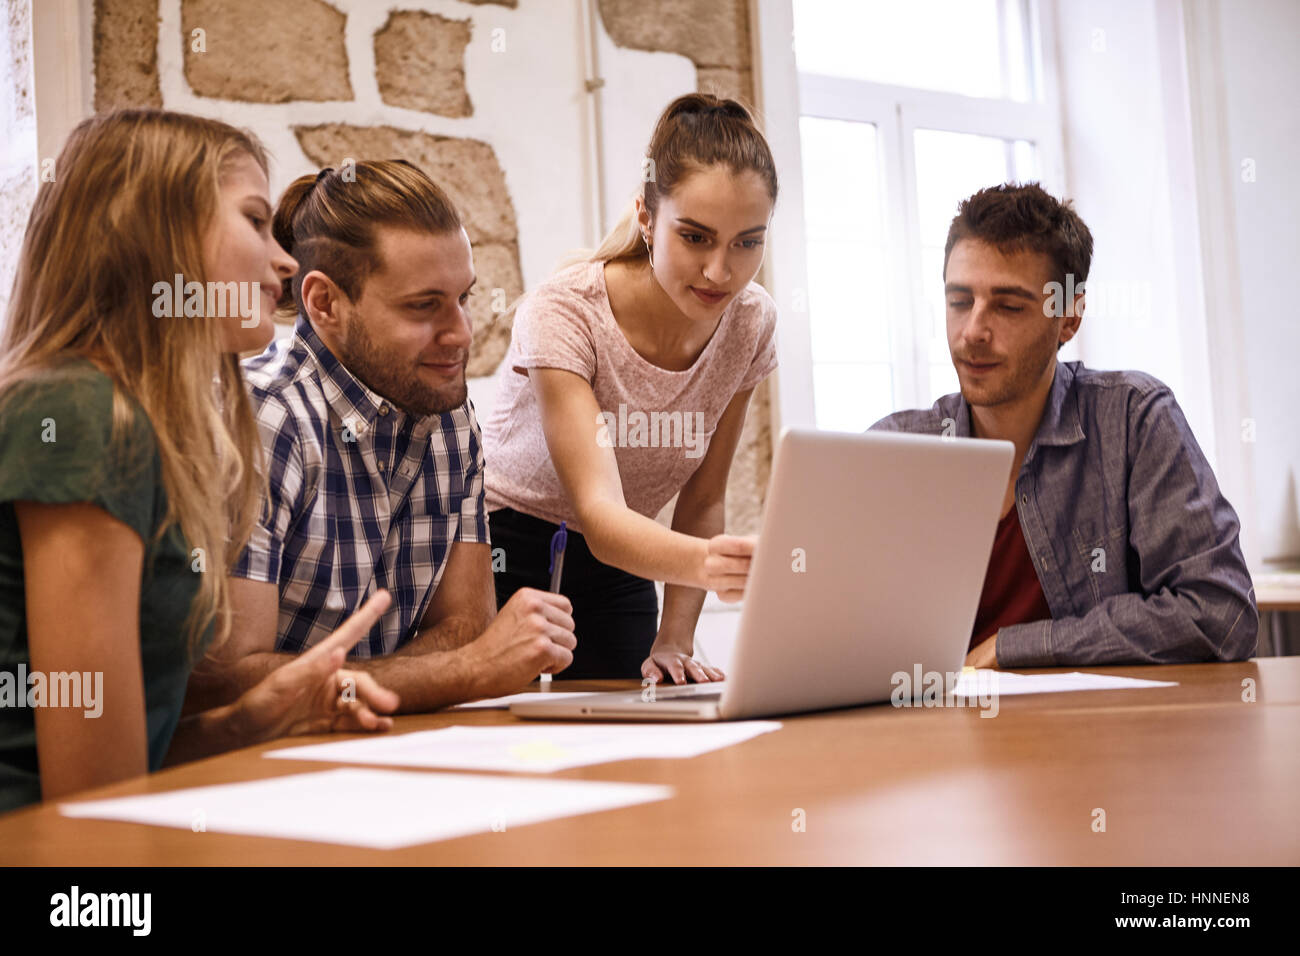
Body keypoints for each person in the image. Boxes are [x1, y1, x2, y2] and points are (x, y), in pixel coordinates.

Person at [0, 109, 400, 814]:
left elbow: (127, 759)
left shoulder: (126, 416)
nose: (285, 261)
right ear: (154, 232)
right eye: (253, 221)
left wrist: (259, 715)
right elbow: (93, 806)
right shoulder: (82, 414)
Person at [188, 160, 576, 715]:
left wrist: (455, 664)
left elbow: (467, 627)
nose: (462, 335)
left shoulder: (448, 415)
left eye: (463, 298)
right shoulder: (261, 420)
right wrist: (466, 671)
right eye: (423, 306)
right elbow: (229, 681)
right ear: (324, 303)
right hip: (270, 774)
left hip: (390, 749)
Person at [871, 182, 1257, 667]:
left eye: (1009, 306)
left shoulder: (1134, 420)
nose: (973, 332)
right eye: (960, 301)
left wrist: (1013, 647)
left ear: (1068, 319)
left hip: (1095, 737)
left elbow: (1220, 614)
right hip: (938, 736)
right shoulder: (894, 449)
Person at [481, 93, 779, 683]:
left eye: (748, 241)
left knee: (634, 739)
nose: (722, 271)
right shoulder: (565, 311)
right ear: (646, 215)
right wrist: (711, 565)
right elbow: (597, 508)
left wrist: (676, 640)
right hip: (504, 545)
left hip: (623, 555)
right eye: (695, 237)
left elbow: (703, 499)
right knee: (506, 753)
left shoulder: (751, 322)